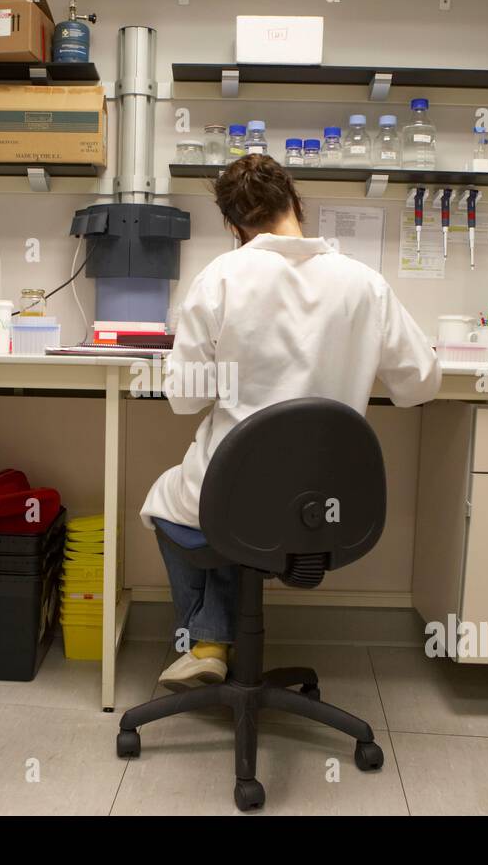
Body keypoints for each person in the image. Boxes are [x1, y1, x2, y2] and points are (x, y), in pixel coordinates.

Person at [140, 153, 442, 690]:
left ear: (235, 227)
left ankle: (206, 639)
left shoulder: (220, 279)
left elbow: (184, 400)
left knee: (168, 500)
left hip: (236, 495)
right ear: (296, 203)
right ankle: (214, 638)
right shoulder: (363, 284)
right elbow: (421, 385)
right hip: (326, 507)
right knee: (248, 503)